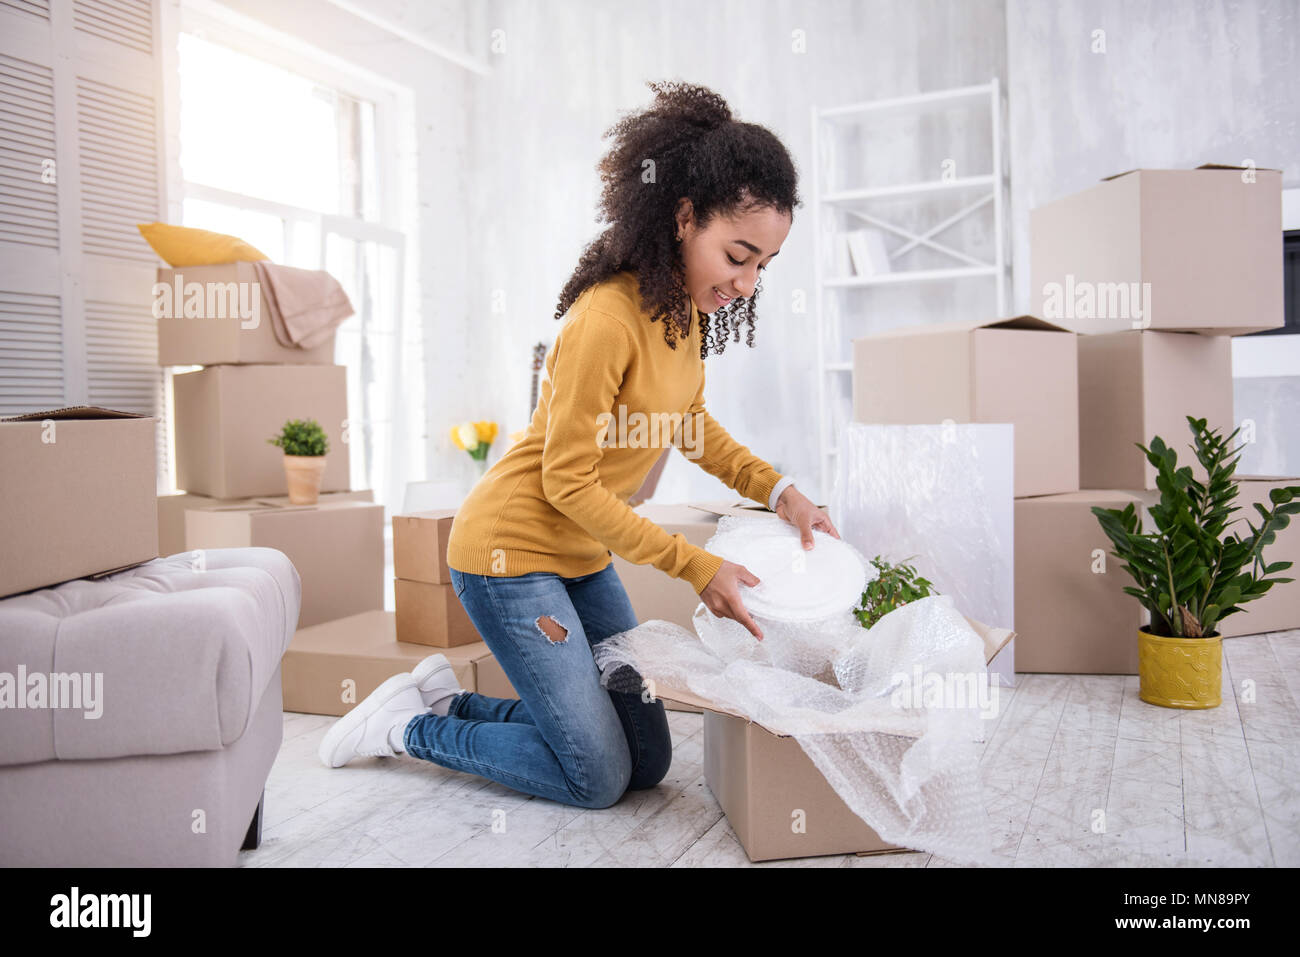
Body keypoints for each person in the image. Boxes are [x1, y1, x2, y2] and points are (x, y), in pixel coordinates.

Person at [319, 80, 839, 810]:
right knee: (595, 776)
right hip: (509, 555)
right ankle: (406, 726)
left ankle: (447, 703)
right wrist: (695, 565)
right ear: (684, 217)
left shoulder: (685, 318)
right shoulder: (605, 320)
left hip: (582, 558)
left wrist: (783, 492)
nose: (748, 283)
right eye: (739, 255)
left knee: (648, 759)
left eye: (764, 266)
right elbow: (567, 484)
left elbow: (692, 427)